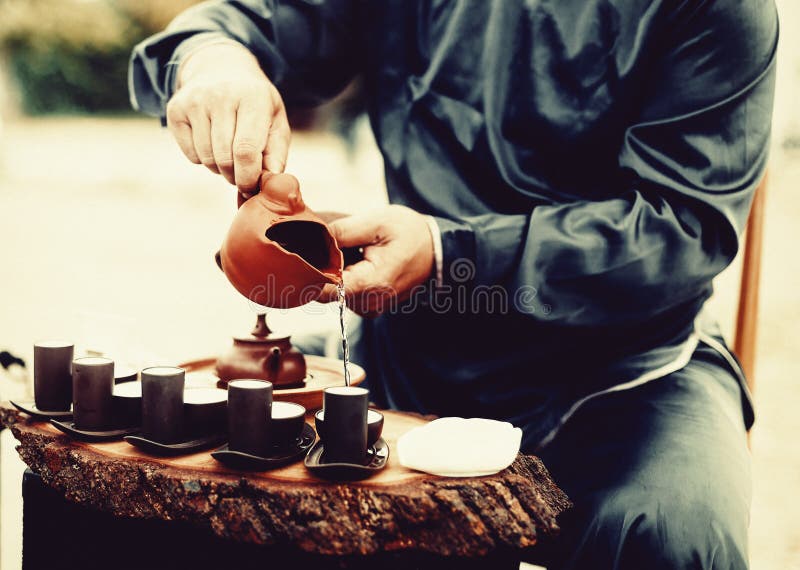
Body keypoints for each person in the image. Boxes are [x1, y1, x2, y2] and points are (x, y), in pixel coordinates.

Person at [129, 1, 778, 568]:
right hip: (409, 356)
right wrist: (215, 61)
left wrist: (450, 253)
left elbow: (683, 228)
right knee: (228, 496)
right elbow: (262, 19)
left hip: (626, 378)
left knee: (674, 535)